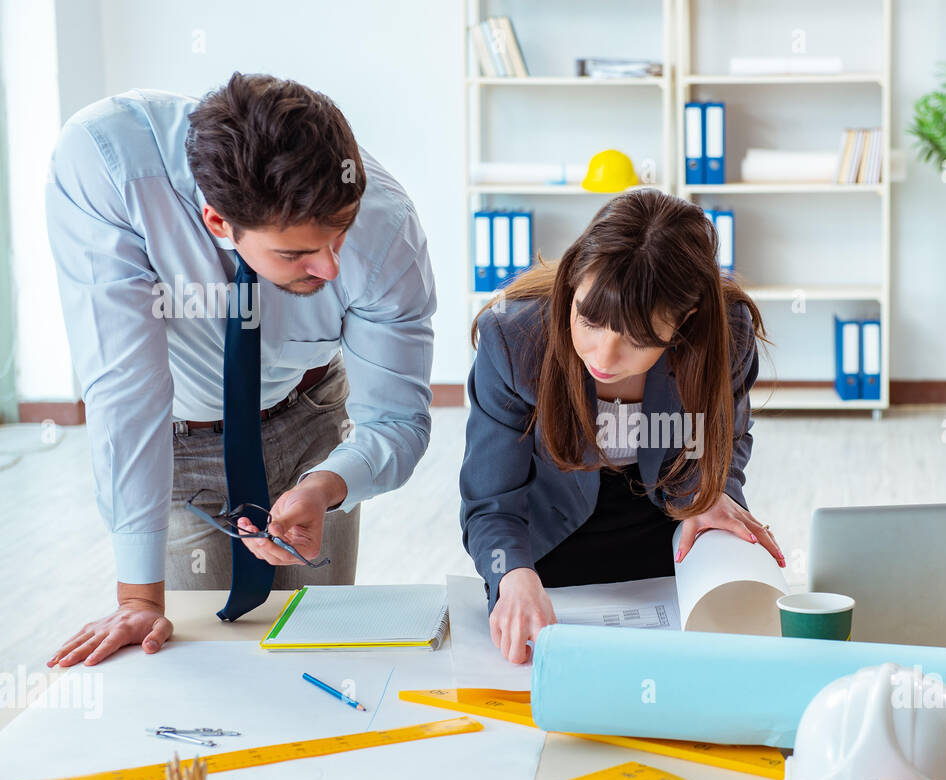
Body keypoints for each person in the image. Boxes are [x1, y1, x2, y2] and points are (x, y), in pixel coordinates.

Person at [44, 73, 437, 667]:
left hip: (311, 417)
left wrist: (324, 485)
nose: (330, 267)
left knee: (323, 651)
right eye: (297, 252)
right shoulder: (108, 164)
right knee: (200, 665)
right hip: (179, 439)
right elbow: (126, 388)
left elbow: (396, 419)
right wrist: (138, 599)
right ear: (219, 223)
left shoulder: (386, 226)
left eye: (340, 234)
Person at [460, 188, 782, 664]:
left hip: (672, 532)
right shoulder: (513, 338)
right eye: (588, 320)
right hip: (549, 542)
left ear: (685, 320)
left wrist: (715, 493)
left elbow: (724, 440)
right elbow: (491, 501)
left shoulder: (725, 332)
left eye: (636, 338)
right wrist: (512, 577)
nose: (603, 358)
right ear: (573, 283)